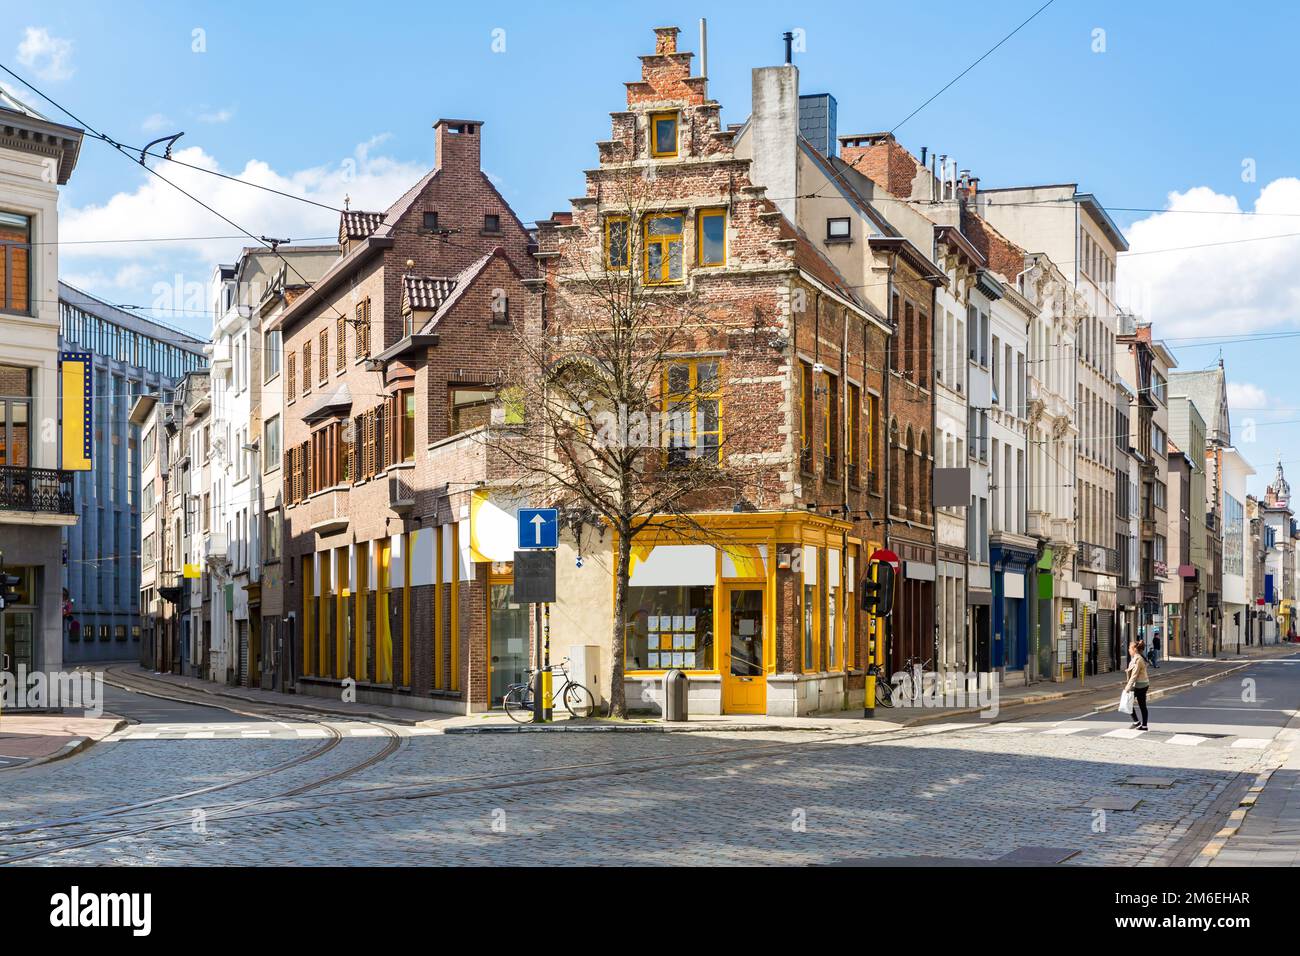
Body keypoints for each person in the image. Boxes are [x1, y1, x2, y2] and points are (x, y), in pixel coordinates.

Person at [1124, 639, 1150, 731]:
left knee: (1128, 703)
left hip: (1140, 685)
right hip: (1142, 684)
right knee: (1142, 705)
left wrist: (1127, 688)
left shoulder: (1138, 659)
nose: (1128, 650)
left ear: (1134, 649)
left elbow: (1134, 675)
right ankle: (1143, 725)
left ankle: (1137, 723)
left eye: (1129, 648)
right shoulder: (1136, 658)